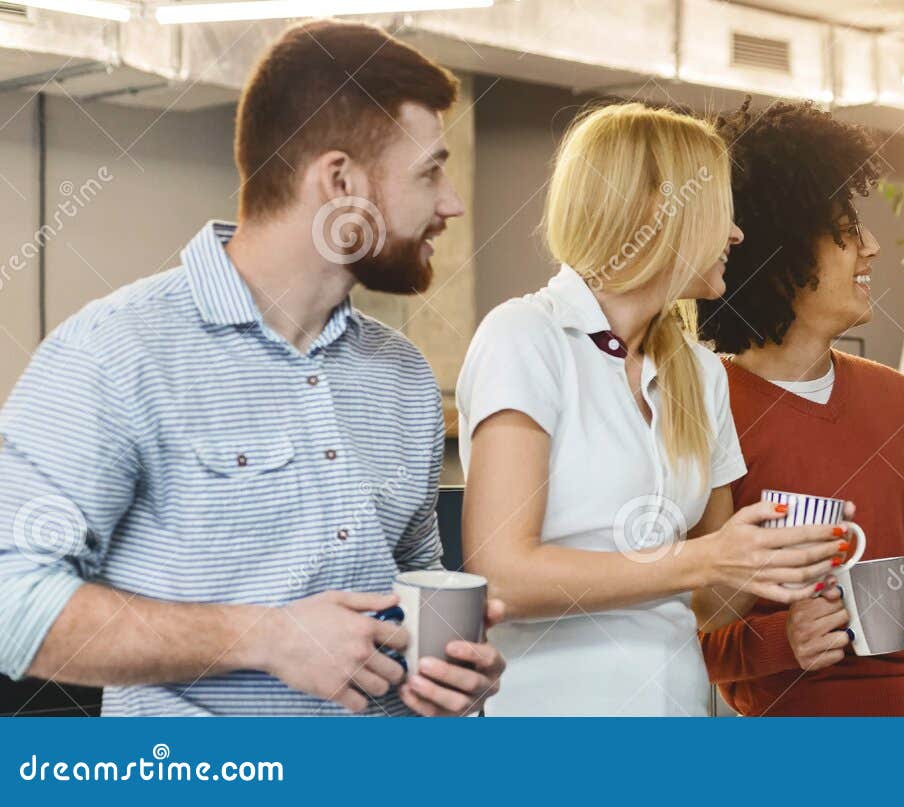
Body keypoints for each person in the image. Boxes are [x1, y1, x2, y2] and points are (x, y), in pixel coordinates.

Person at [0, 20, 504, 716]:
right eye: (429, 171)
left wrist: (449, 666)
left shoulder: (403, 376)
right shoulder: (117, 351)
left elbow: (415, 573)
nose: (450, 202)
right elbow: (13, 598)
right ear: (340, 181)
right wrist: (266, 636)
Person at [456, 102, 846, 716]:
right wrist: (700, 558)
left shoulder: (700, 373)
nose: (737, 234)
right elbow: (502, 575)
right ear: (659, 208)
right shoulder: (526, 337)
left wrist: (770, 564)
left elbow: (708, 603)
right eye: (721, 209)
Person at [695, 100, 904, 716]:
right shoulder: (705, 405)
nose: (872, 247)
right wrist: (784, 639)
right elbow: (685, 620)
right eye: (847, 230)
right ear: (781, 256)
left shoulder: (897, 399)